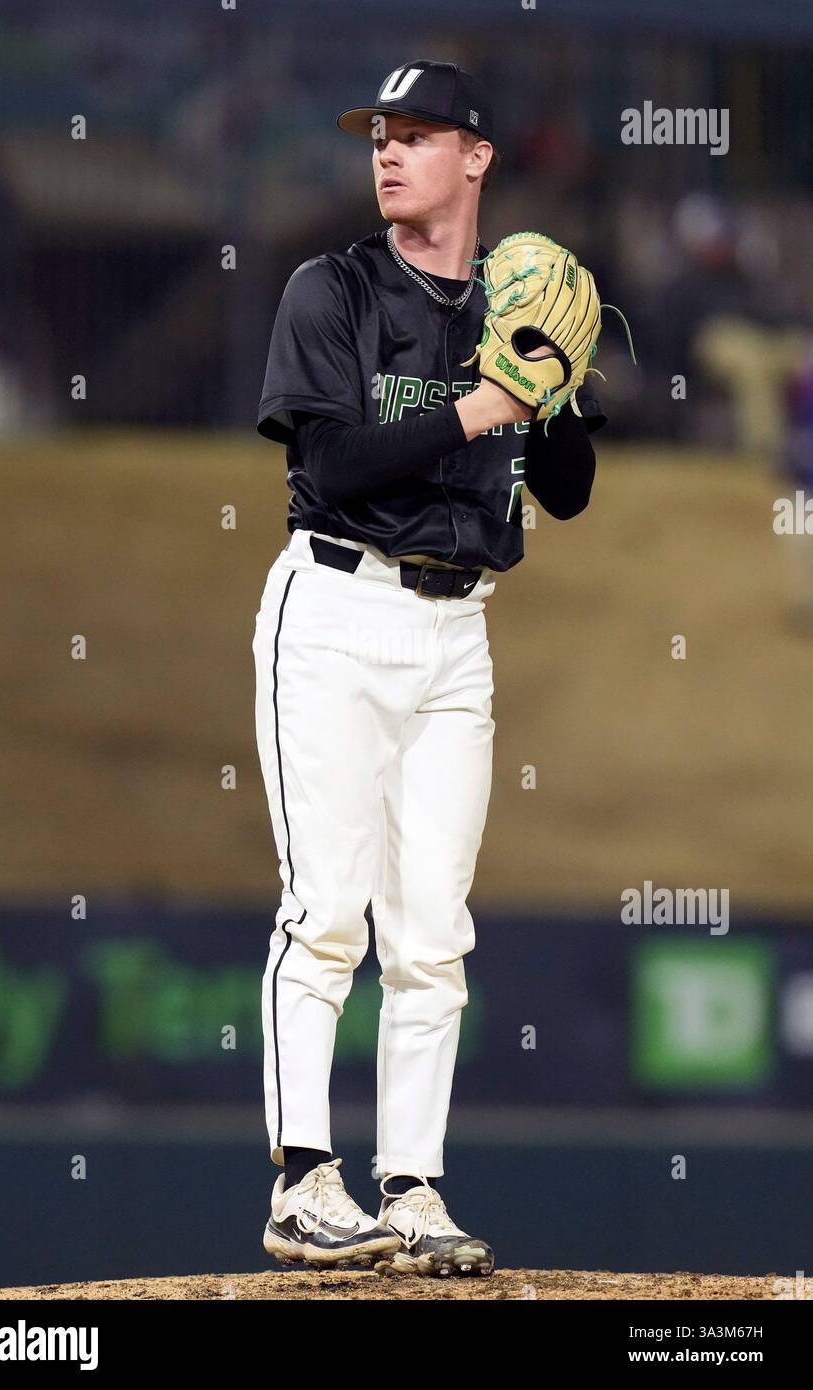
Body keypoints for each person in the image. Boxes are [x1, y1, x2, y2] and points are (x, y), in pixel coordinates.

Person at [253, 59, 607, 1278]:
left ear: (477, 158)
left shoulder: (515, 296)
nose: (387, 151)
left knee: (431, 936)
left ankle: (410, 1188)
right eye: (378, 135)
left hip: (459, 634)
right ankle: (304, 1178)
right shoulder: (332, 288)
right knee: (325, 912)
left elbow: (563, 493)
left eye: (417, 133)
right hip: (338, 607)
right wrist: (483, 405)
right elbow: (334, 466)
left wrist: (547, 395)